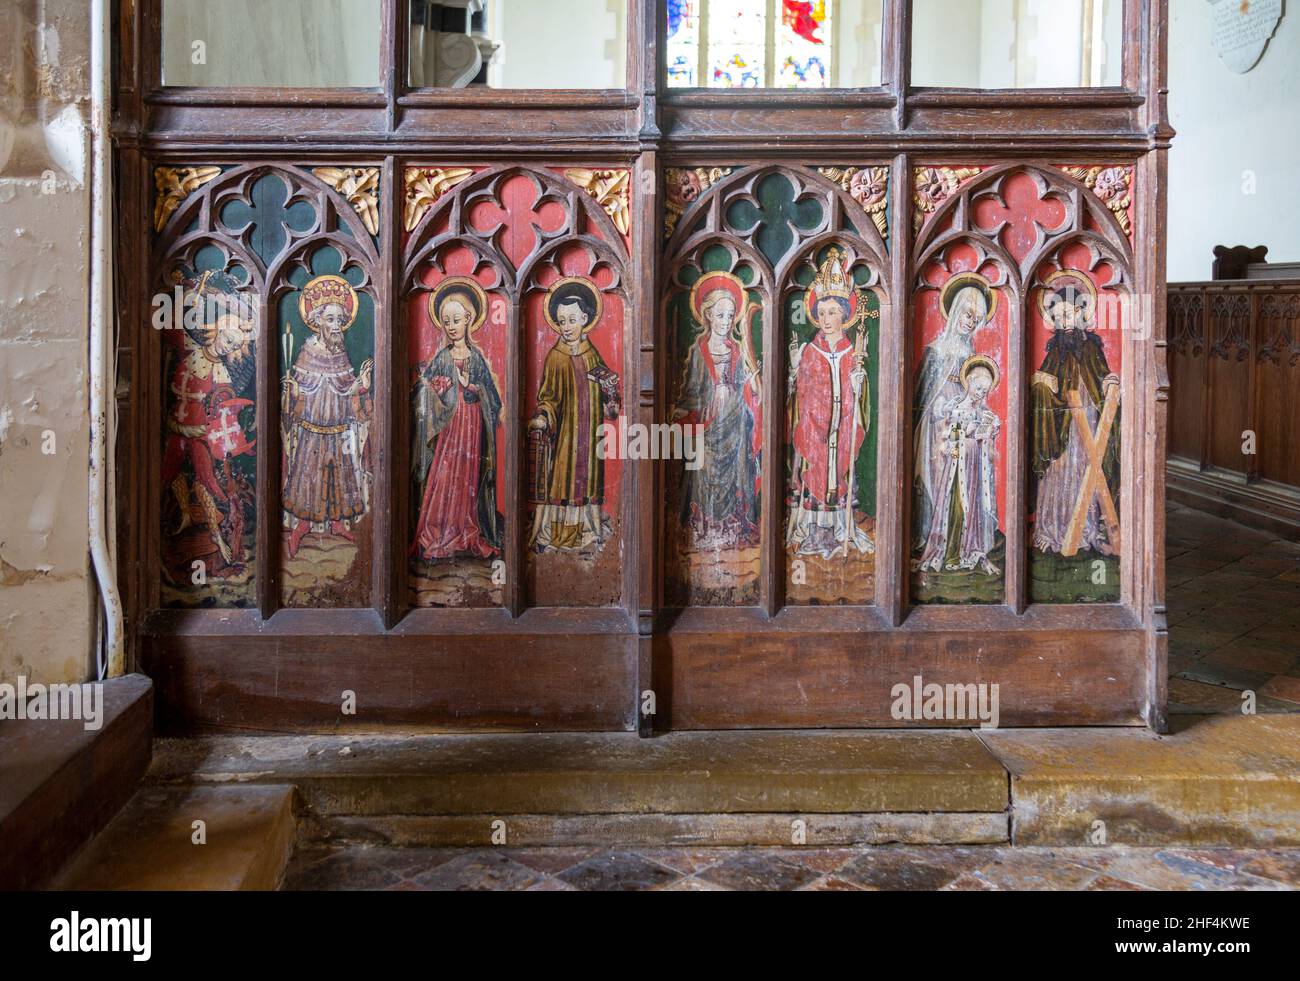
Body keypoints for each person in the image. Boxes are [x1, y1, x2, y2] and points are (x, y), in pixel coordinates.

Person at [787, 249, 873, 558]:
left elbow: (862, 400)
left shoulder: (853, 352)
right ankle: (815, 532)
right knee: (817, 472)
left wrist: (857, 385)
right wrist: (795, 372)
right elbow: (801, 392)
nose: (826, 319)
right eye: (821, 313)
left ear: (844, 315)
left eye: (832, 313)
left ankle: (839, 529)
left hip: (844, 425)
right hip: (816, 427)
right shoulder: (811, 350)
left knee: (840, 473)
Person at [282, 274, 373, 559]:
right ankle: (302, 528)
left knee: (340, 479)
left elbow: (345, 391)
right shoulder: (307, 353)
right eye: (331, 320)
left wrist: (362, 385)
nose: (337, 326)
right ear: (318, 320)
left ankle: (336, 524)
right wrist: (295, 391)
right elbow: (301, 395)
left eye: (340, 321)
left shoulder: (340, 352)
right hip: (312, 430)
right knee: (308, 480)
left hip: (338, 431)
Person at [527, 278, 621, 552]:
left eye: (571, 320)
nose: (566, 327)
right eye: (561, 321)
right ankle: (554, 533)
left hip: (590, 434)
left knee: (588, 478)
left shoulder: (592, 355)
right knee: (563, 477)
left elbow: (609, 397)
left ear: (585, 318)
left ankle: (588, 531)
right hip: (565, 434)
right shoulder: (555, 357)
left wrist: (610, 393)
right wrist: (544, 416)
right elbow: (547, 397)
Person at [1030, 271, 1120, 556]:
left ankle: (1088, 531)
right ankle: (1052, 530)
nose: (1063, 321)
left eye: (1068, 314)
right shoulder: (1056, 346)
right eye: (1058, 317)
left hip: (1089, 417)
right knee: (1060, 472)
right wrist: (1042, 381)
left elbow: (1101, 373)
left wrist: (1108, 381)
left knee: (1087, 468)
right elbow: (1044, 377)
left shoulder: (1092, 345)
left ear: (1081, 311)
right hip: (1062, 422)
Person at [413, 278, 503, 561]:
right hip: (449, 429)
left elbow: (492, 397)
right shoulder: (442, 357)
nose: (451, 326)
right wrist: (433, 389)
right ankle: (439, 530)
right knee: (445, 474)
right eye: (446, 321)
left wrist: (474, 387)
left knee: (468, 477)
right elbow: (423, 391)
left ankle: (466, 529)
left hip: (472, 426)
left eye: (456, 320)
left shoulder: (476, 358)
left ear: (468, 320)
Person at [671, 272, 761, 549]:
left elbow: (749, 386)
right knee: (704, 469)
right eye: (720, 315)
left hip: (734, 425)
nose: (725, 322)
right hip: (709, 425)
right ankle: (707, 526)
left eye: (730, 315)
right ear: (708, 316)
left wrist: (740, 388)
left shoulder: (736, 349)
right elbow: (692, 392)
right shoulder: (699, 351)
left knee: (737, 468)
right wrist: (701, 400)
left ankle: (733, 526)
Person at [913, 275, 994, 551]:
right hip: (937, 425)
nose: (970, 322)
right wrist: (938, 410)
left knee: (962, 475)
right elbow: (922, 394)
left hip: (961, 422)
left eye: (976, 319)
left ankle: (956, 536)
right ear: (956, 311)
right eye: (967, 314)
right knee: (937, 474)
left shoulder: (971, 352)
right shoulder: (935, 350)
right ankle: (931, 534)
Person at [915, 356, 1002, 576]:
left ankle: (967, 550)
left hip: (974, 468)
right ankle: (950, 553)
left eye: (985, 390)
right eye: (979, 387)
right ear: (969, 382)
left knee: (971, 508)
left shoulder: (985, 414)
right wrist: (963, 435)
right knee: (955, 507)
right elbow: (947, 441)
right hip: (956, 469)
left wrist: (988, 434)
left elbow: (990, 450)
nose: (981, 393)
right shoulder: (953, 408)